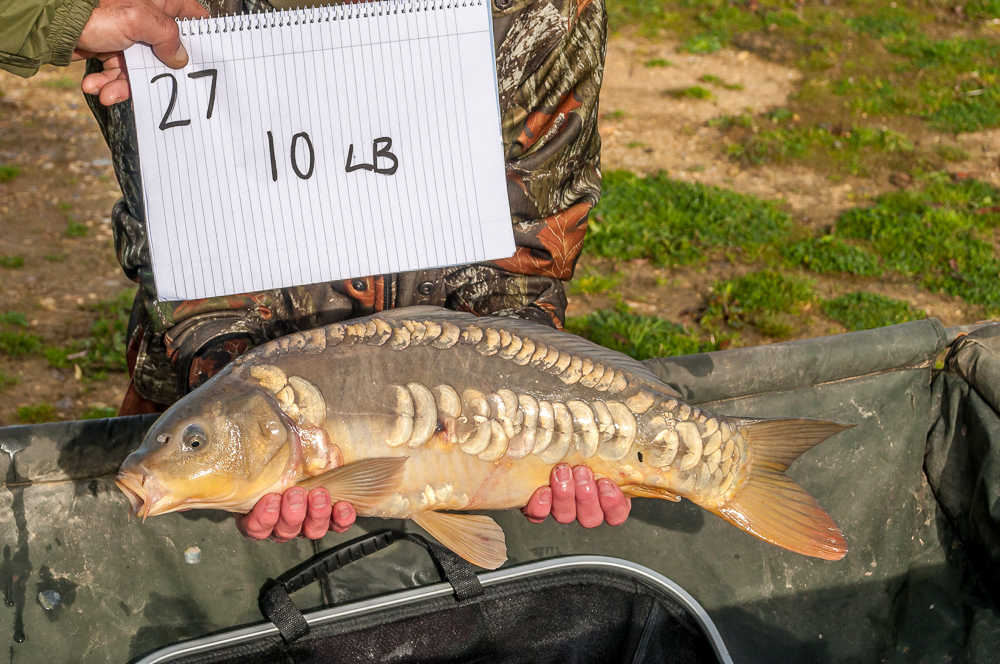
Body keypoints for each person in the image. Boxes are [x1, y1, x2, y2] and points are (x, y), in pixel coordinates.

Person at [1, 0, 630, 541]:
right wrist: (255, 429)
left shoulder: (542, 5)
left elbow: (522, 256)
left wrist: (534, 425)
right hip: (232, 421)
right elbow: (195, 249)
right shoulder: (164, 7)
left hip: (466, 430)